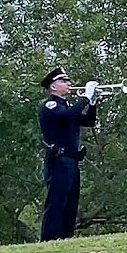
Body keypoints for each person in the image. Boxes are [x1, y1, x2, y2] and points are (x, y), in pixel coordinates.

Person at [38, 67, 99, 241]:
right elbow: (68, 115)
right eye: (63, 81)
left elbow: (88, 121)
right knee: (57, 201)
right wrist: (85, 97)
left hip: (72, 160)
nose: (69, 84)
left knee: (71, 203)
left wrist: (92, 102)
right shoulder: (51, 106)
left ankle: (65, 237)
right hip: (58, 160)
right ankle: (48, 239)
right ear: (53, 87)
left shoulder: (68, 107)